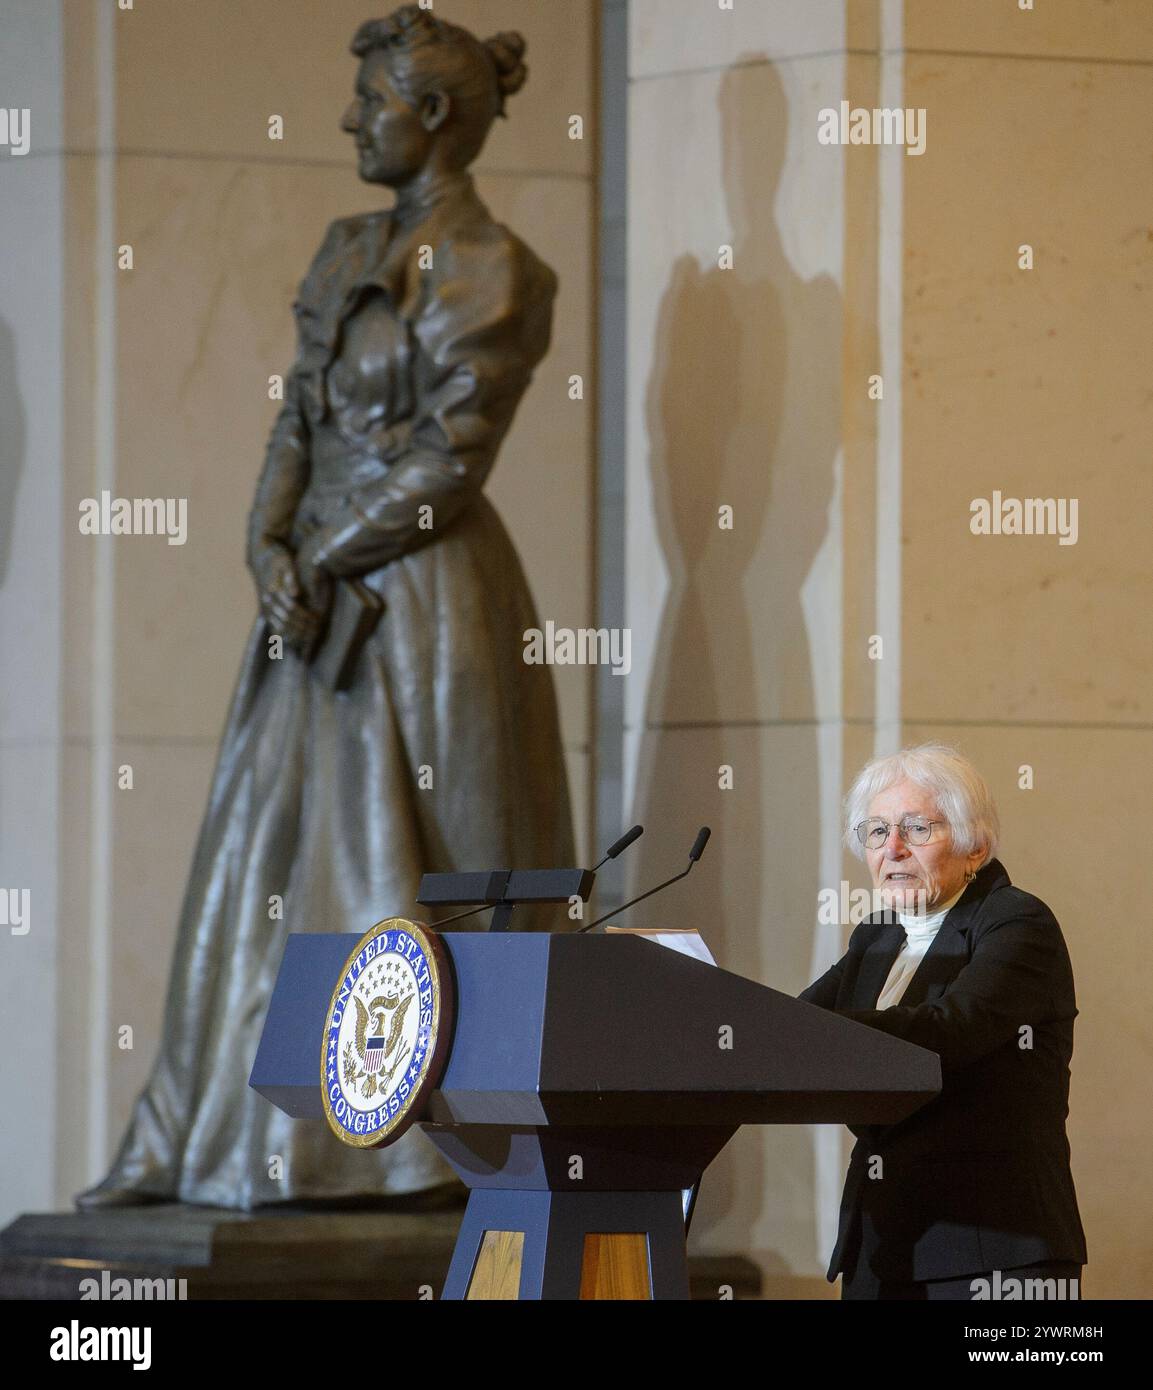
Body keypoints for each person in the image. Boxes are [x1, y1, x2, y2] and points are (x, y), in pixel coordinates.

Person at [78, 6, 573, 1211]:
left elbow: (452, 462)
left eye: (372, 100)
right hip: (313, 597)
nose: (351, 118)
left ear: (436, 114)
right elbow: (295, 415)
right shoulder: (344, 243)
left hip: (422, 595)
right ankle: (219, 1140)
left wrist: (328, 553)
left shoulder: (497, 268)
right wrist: (269, 546)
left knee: (416, 856)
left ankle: (407, 1149)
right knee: (260, 857)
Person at [800, 743, 1087, 1299]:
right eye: (877, 832)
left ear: (974, 844)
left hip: (991, 1254)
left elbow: (951, 1030)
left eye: (917, 828)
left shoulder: (1016, 921)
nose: (894, 849)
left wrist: (824, 1037)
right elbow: (796, 1021)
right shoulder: (877, 936)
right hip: (884, 1250)